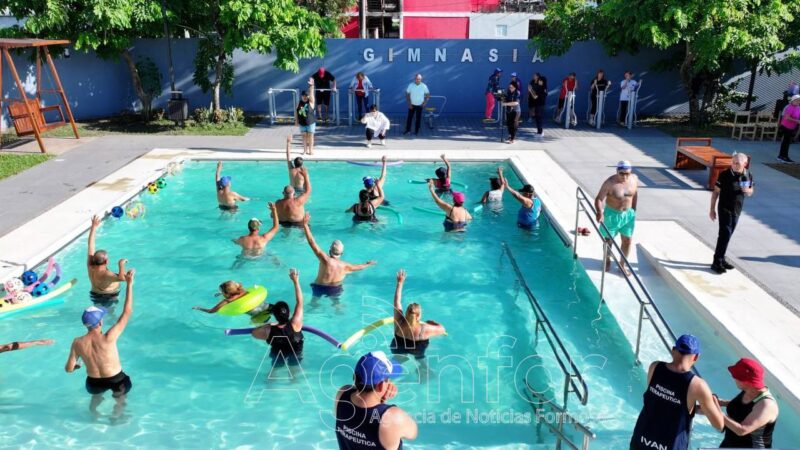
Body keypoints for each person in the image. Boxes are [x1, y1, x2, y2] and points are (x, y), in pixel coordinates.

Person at [630, 335, 724, 450]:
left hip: (641, 439)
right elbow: (719, 425)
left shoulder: (655, 367)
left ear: (673, 350)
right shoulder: (697, 385)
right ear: (696, 357)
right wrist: (714, 405)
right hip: (670, 445)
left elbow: (661, 401)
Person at [65, 269, 136, 418]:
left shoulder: (77, 342)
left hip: (94, 382)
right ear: (100, 322)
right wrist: (130, 284)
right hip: (116, 379)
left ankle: (94, 415)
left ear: (85, 325)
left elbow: (69, 369)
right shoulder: (109, 337)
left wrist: (76, 366)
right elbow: (127, 312)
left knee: (95, 398)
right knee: (120, 401)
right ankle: (115, 419)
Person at [334, 351, 418, 449]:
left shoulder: (342, 395)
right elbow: (413, 433)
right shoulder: (393, 417)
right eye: (388, 379)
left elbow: (362, 418)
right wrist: (383, 401)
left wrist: (380, 396)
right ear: (381, 386)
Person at [302, 213, 376, 298]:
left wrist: (305, 225)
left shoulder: (325, 259)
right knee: (337, 306)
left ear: (330, 250)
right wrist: (368, 264)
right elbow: (359, 267)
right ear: (342, 253)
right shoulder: (346, 266)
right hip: (335, 288)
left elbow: (312, 242)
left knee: (314, 304)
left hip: (319, 287)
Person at [716, 358, 779, 448]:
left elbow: (742, 430)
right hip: (729, 444)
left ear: (745, 381)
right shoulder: (748, 390)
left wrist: (716, 411)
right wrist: (721, 402)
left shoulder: (767, 405)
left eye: (735, 376)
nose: (733, 378)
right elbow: (744, 408)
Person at [709, 153, 754, 274]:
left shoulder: (747, 174)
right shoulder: (724, 175)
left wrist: (748, 190)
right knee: (724, 234)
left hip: (736, 210)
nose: (734, 165)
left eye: (737, 163)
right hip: (724, 209)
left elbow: (751, 191)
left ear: (745, 164)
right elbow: (715, 193)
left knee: (728, 235)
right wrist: (712, 209)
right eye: (733, 162)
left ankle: (722, 259)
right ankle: (716, 262)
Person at [251, 269, 304, 365]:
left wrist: (269, 325)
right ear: (289, 312)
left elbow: (254, 334)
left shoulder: (268, 329)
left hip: (278, 352)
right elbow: (299, 301)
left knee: (275, 369)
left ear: (274, 315)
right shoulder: (296, 323)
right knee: (294, 370)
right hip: (295, 350)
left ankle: (271, 379)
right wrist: (296, 281)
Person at [390, 269, 446, 361]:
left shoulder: (399, 322)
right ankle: (422, 366)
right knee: (420, 356)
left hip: (398, 347)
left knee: (397, 360)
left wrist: (400, 283)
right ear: (419, 316)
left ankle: (396, 365)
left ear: (407, 314)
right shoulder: (425, 329)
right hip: (417, 349)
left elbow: (397, 302)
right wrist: (432, 322)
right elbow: (442, 329)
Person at [595, 161, 639, 275]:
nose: (625, 176)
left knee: (627, 240)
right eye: (622, 173)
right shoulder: (609, 183)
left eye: (627, 173)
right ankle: (607, 259)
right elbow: (599, 199)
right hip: (612, 215)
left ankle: (622, 264)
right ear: (617, 171)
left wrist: (634, 209)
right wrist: (599, 212)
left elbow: (635, 194)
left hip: (628, 215)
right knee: (608, 240)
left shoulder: (634, 179)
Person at [87, 215, 128, 309]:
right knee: (110, 314)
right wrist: (121, 264)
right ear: (107, 261)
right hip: (108, 297)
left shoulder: (90, 266)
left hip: (94, 294)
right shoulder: (106, 274)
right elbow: (122, 278)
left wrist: (93, 227)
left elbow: (91, 245)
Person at [192, 281, 271, 317]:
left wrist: (199, 308)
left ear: (227, 294)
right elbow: (236, 286)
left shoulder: (227, 300)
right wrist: (221, 293)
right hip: (267, 306)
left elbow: (211, 311)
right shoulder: (243, 290)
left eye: (222, 292)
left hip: (257, 315)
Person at [777, 94, 800, 163]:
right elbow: (787, 117)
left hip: (792, 127)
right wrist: (797, 121)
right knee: (786, 142)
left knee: (787, 142)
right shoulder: (789, 107)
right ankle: (783, 157)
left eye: (799, 101)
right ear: (792, 101)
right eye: (797, 100)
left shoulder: (798, 107)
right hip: (786, 126)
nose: (798, 102)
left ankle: (782, 156)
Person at [295, 78, 316, 155]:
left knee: (310, 137)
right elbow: (296, 112)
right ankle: (304, 150)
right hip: (302, 123)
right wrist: (296, 121)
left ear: (308, 96)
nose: (305, 97)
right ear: (301, 96)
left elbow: (311, 94)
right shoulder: (298, 103)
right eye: (303, 96)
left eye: (306, 96)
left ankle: (311, 150)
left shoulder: (311, 102)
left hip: (310, 123)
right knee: (304, 137)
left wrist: (311, 86)